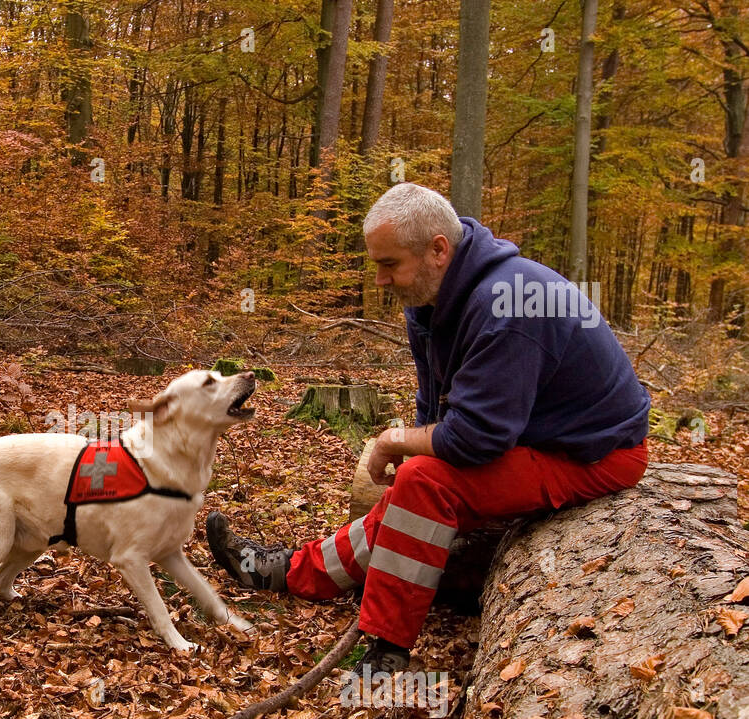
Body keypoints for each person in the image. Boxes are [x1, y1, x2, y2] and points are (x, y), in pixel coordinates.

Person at [207, 183, 651, 676]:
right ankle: (285, 572)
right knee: (414, 488)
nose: (379, 279)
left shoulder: (513, 303)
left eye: (390, 264)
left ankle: (385, 647)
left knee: (424, 484)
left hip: (595, 455)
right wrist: (415, 450)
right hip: (532, 434)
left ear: (439, 249)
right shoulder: (432, 298)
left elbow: (477, 438)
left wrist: (397, 443)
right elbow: (434, 401)